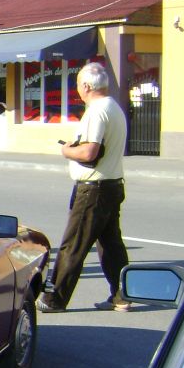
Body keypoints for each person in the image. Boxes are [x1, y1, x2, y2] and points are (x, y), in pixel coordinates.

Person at [38, 62, 129, 314]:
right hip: (111, 184)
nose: (77, 88)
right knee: (111, 245)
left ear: (87, 86)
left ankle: (54, 299)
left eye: (78, 83)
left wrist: (67, 150)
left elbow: (90, 151)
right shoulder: (114, 107)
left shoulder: (97, 111)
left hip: (93, 188)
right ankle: (122, 294)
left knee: (73, 244)